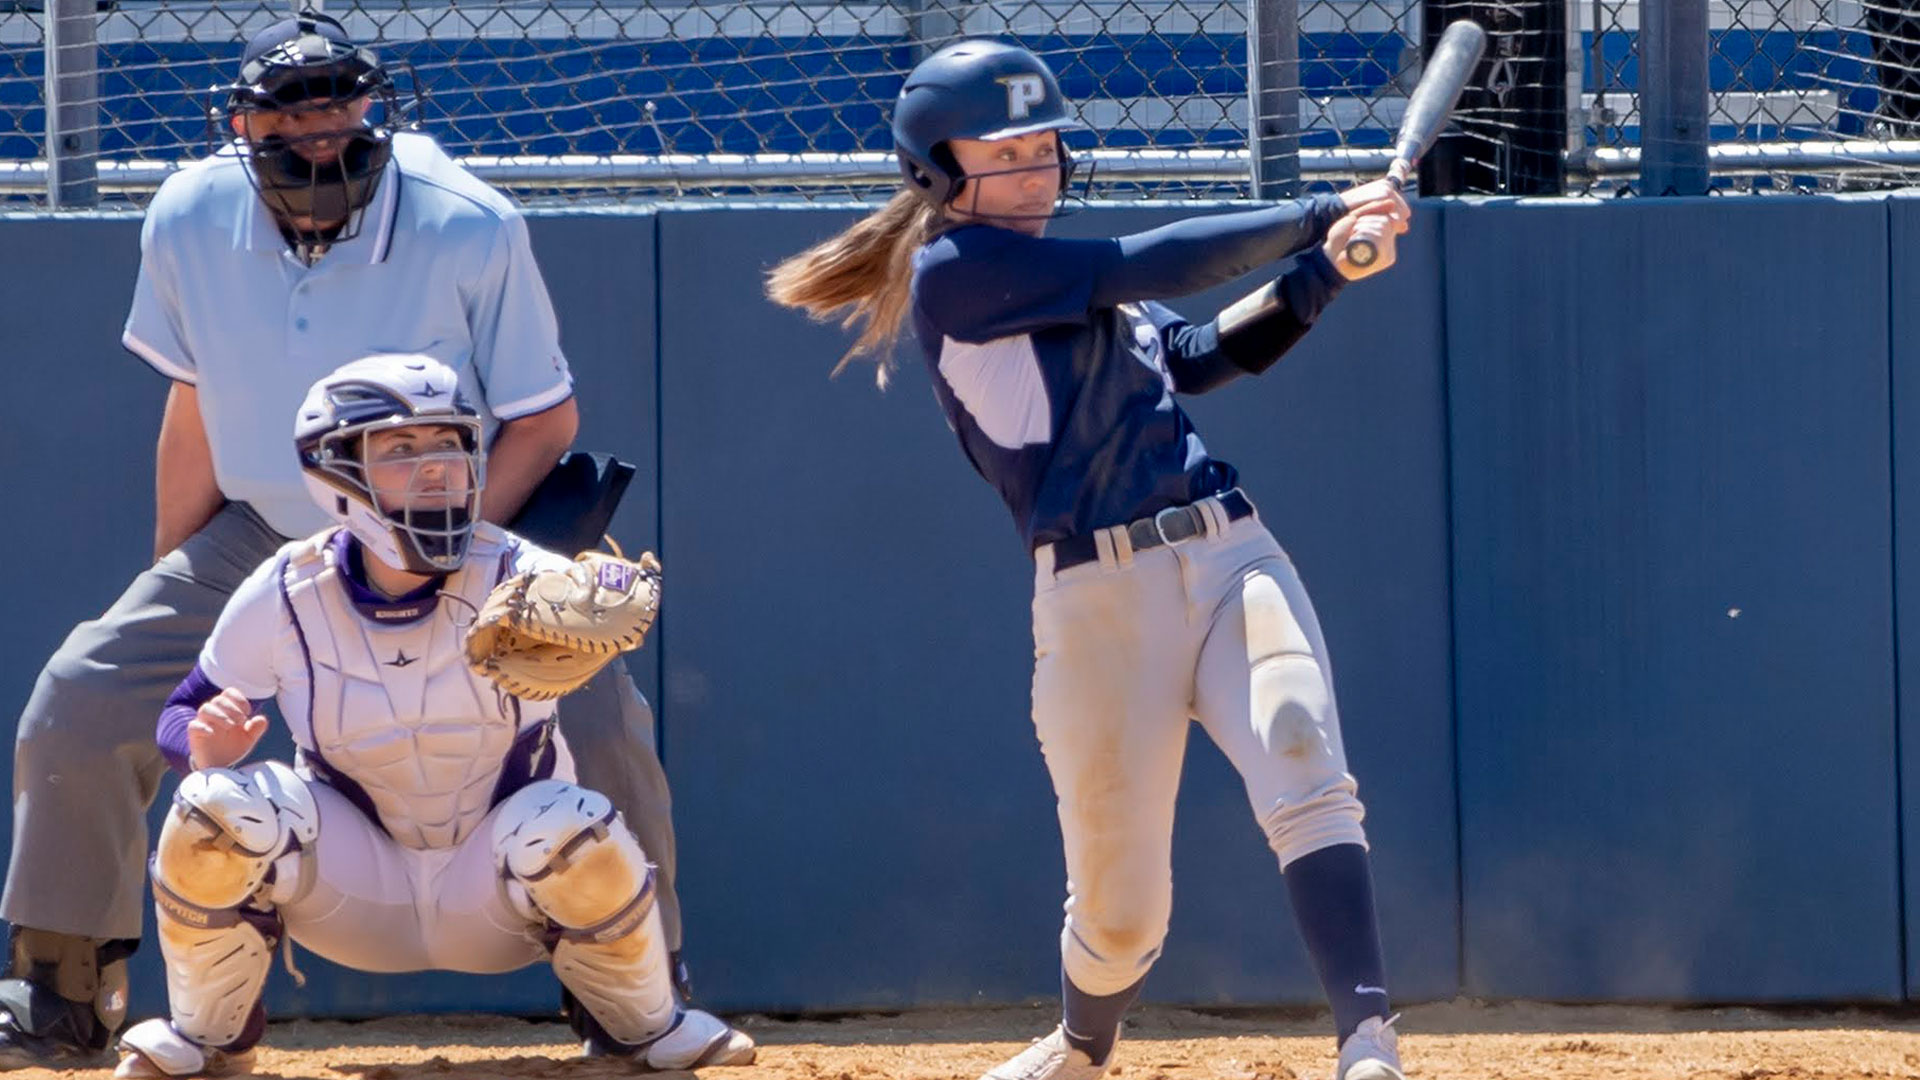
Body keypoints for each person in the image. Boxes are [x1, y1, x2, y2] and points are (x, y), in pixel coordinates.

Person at [0, 12, 686, 1066]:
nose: (321, 128)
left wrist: (451, 558)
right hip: (264, 531)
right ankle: (61, 987)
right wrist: (174, 579)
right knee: (83, 694)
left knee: (592, 707)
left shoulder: (467, 221)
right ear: (242, 122)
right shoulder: (188, 215)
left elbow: (545, 420)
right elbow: (195, 401)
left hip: (454, 531)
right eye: (291, 109)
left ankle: (641, 988)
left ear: (374, 106)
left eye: (340, 102)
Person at [767, 39, 1413, 1080]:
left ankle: (1368, 1040)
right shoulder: (958, 276)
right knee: (1119, 913)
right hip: (1097, 600)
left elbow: (1195, 357)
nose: (1035, 171)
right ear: (935, 171)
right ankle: (1081, 1045)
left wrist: (1324, 274)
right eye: (1002, 155)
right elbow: (1140, 264)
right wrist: (1318, 214)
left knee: (1301, 751)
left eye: (1042, 149)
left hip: (1228, 550)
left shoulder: (1064, 275)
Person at [111, 355, 755, 1079]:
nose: (435, 470)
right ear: (334, 472)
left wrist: (608, 596)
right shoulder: (287, 588)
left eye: (449, 444)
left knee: (571, 821)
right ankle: (207, 1038)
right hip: (354, 894)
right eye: (401, 449)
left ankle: (646, 1028)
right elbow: (183, 710)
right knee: (212, 806)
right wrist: (200, 747)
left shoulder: (520, 573)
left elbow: (605, 592)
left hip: (499, 894)